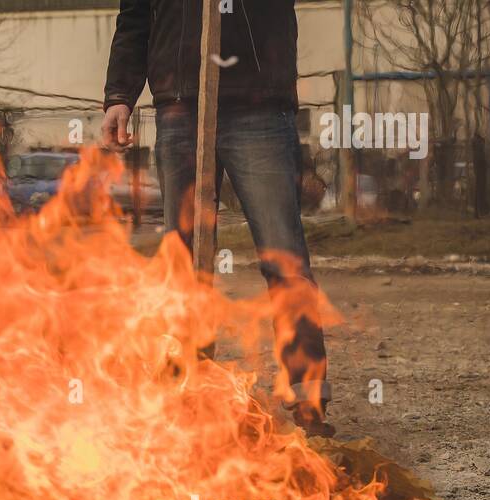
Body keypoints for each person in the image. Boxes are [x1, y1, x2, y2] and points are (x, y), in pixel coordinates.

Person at [101, 0, 335, 437]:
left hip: (258, 104)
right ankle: (188, 396)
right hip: (179, 107)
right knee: (184, 264)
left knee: (284, 258)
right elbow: (135, 18)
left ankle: (308, 397)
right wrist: (119, 96)